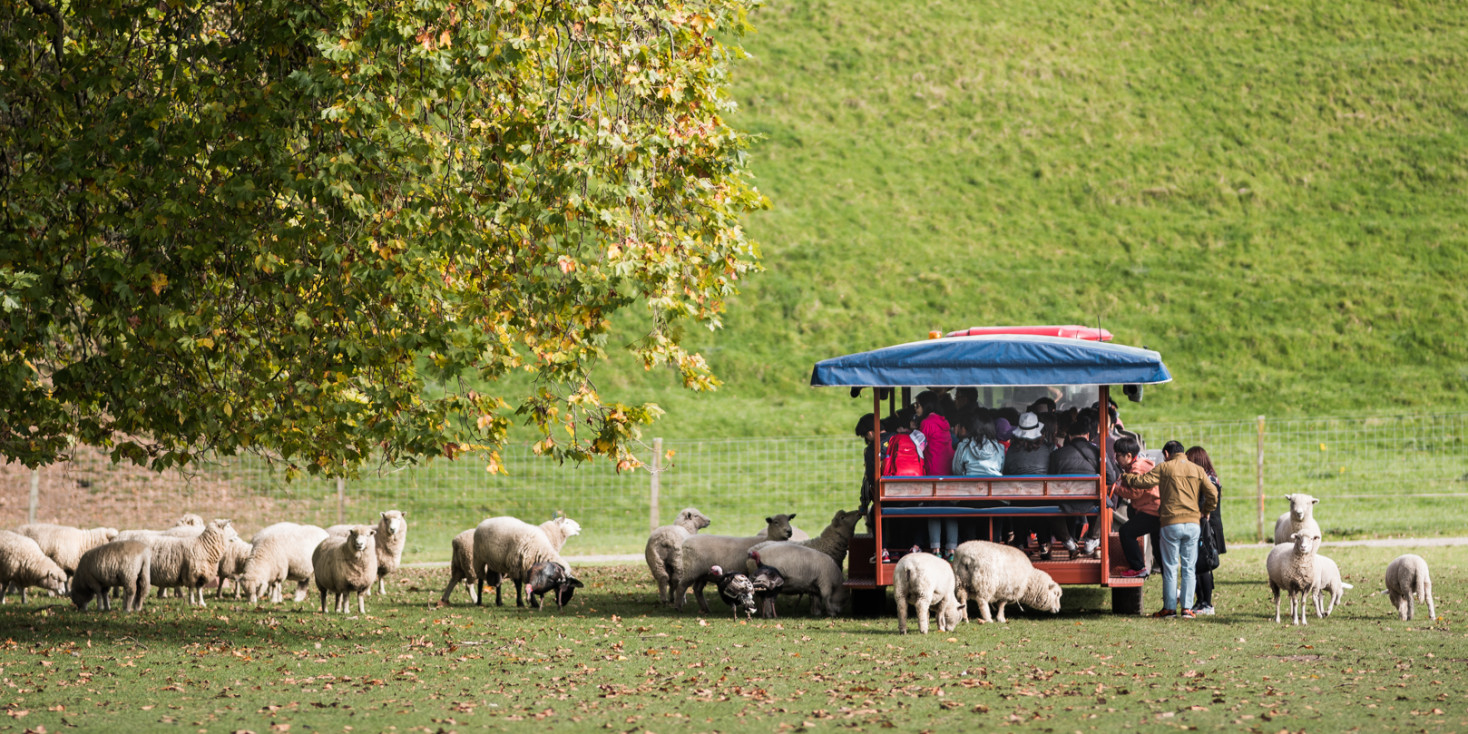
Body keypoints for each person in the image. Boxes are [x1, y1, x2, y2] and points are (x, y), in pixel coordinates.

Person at [1120, 440, 1219, 619]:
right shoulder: (1197, 469)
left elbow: (1143, 482)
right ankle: (1188, 609)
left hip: (1171, 523)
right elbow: (1212, 492)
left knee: (1170, 566)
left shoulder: (1164, 468)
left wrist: (1126, 477)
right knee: (1189, 567)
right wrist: (1205, 511)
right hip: (1192, 523)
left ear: (1166, 454)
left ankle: (1170, 609)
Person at [1186, 445, 1226, 615]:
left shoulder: (1208, 480)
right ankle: (1201, 600)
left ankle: (1206, 603)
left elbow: (1204, 503)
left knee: (1203, 565)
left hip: (1207, 527)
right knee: (1199, 565)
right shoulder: (1210, 477)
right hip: (1206, 525)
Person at [1111, 437, 1159, 577]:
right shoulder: (1140, 463)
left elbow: (1135, 493)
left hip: (1151, 510)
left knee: (1126, 532)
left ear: (1129, 455)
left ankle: (1139, 568)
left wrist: (1114, 489)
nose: (1116, 458)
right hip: (1153, 509)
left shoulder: (1137, 468)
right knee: (1158, 551)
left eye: (1118, 455)